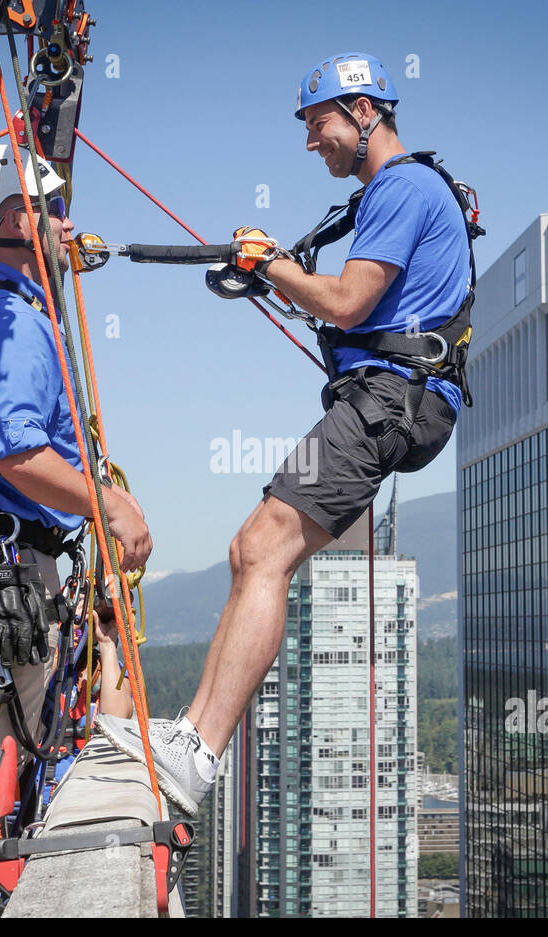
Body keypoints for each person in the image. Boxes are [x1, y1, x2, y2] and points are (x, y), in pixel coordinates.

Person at [96, 52, 475, 815]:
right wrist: (278, 272)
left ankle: (197, 752)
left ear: (365, 111)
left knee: (260, 549)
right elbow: (358, 306)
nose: (312, 142)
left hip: (388, 399)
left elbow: (343, 300)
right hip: (388, 397)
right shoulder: (393, 194)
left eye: (319, 123)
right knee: (251, 549)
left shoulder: (399, 188)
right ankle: (190, 742)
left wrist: (271, 265)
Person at [0, 143, 151, 916]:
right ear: (19, 218)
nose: (66, 223)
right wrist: (105, 503)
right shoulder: (9, 320)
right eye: (53, 208)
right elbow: (15, 450)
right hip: (7, 569)